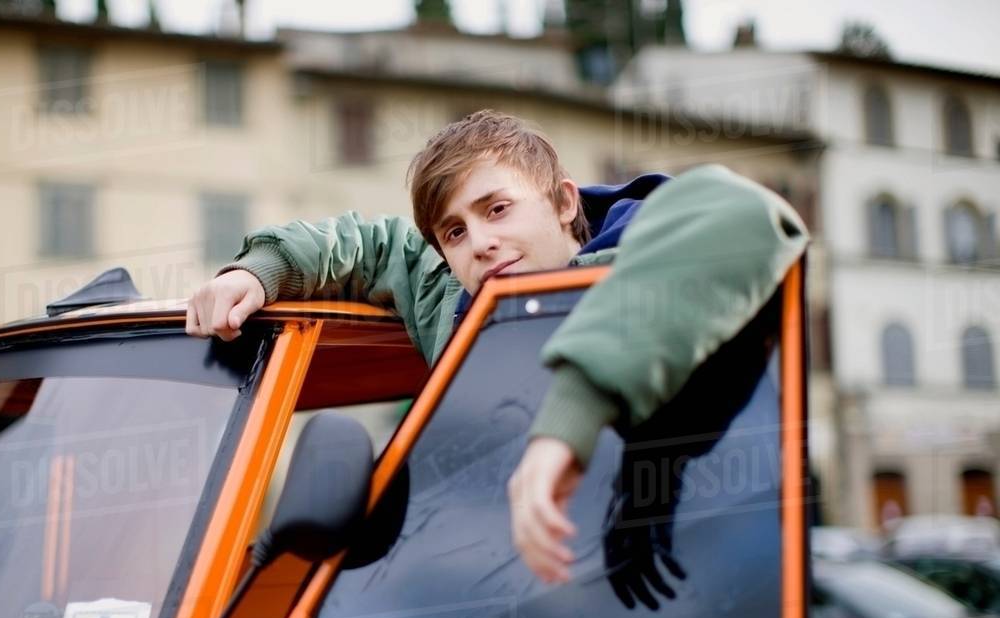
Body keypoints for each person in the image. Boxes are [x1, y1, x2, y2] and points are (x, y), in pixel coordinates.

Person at [186, 110, 808, 586]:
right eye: (455, 231)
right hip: (505, 611)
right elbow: (368, 246)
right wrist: (258, 273)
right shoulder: (451, 300)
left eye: (499, 209)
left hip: (695, 592)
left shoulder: (650, 251)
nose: (480, 242)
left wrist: (567, 422)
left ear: (563, 203)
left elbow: (745, 215)